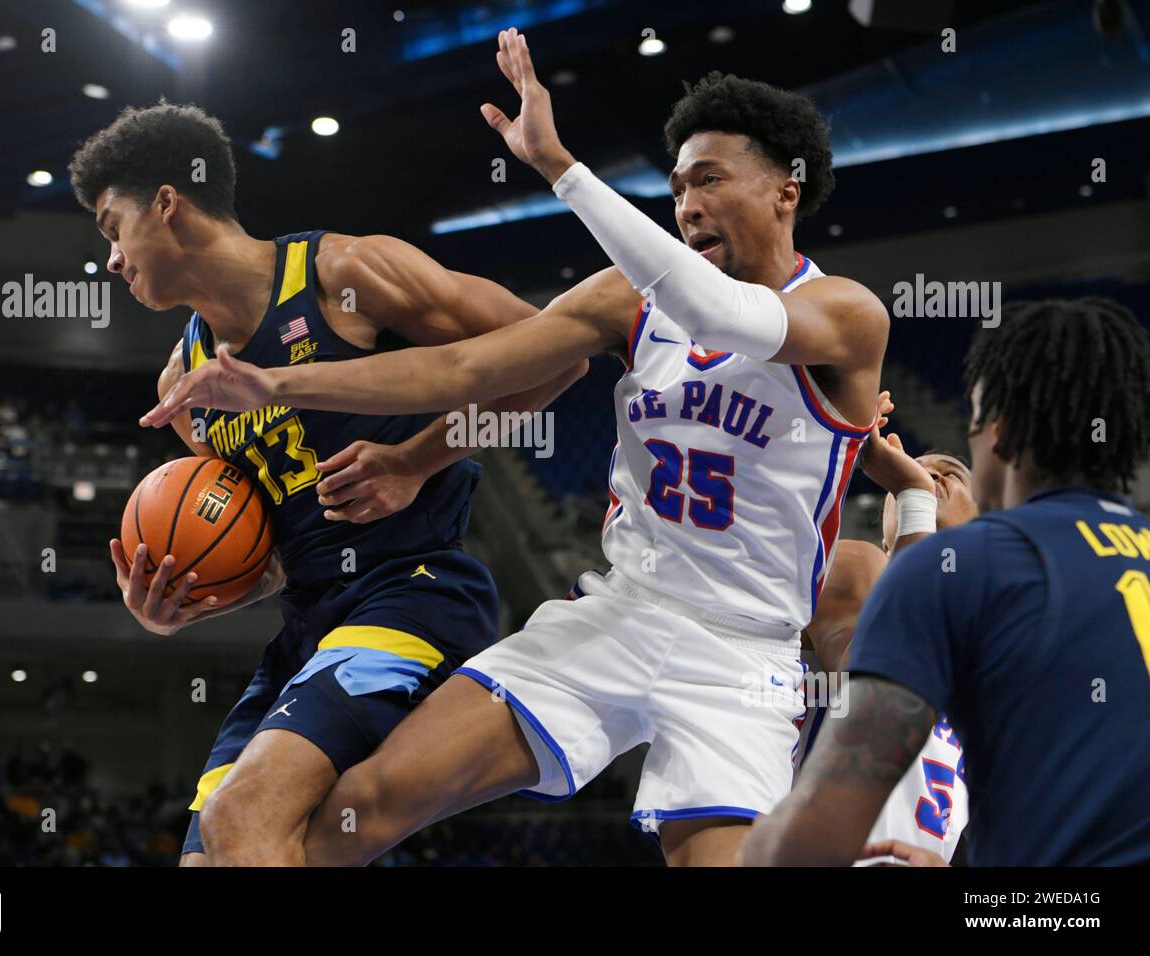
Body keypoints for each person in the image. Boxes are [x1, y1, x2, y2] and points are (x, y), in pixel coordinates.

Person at [146, 30, 889, 866]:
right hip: (619, 612)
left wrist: (557, 165)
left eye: (710, 179)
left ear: (788, 188)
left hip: (742, 655)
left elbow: (723, 317)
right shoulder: (629, 301)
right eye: (677, 186)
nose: (686, 204)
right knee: (356, 810)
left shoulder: (846, 313)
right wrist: (287, 388)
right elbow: (461, 366)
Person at [68, 101, 585, 866]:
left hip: (413, 591)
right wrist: (182, 605)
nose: (110, 258)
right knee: (211, 853)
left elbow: (559, 355)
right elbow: (270, 555)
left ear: (168, 203)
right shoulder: (184, 382)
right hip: (305, 625)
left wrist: (415, 461)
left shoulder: (343, 273)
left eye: (113, 227)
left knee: (245, 813)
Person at [742, 298, 1150, 866]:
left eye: (949, 472)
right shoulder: (866, 567)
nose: (933, 479)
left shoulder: (978, 569)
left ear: (997, 432)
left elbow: (815, 831)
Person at [800, 440, 978, 866]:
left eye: (950, 471)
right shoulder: (857, 569)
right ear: (885, 537)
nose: (932, 475)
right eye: (919, 471)